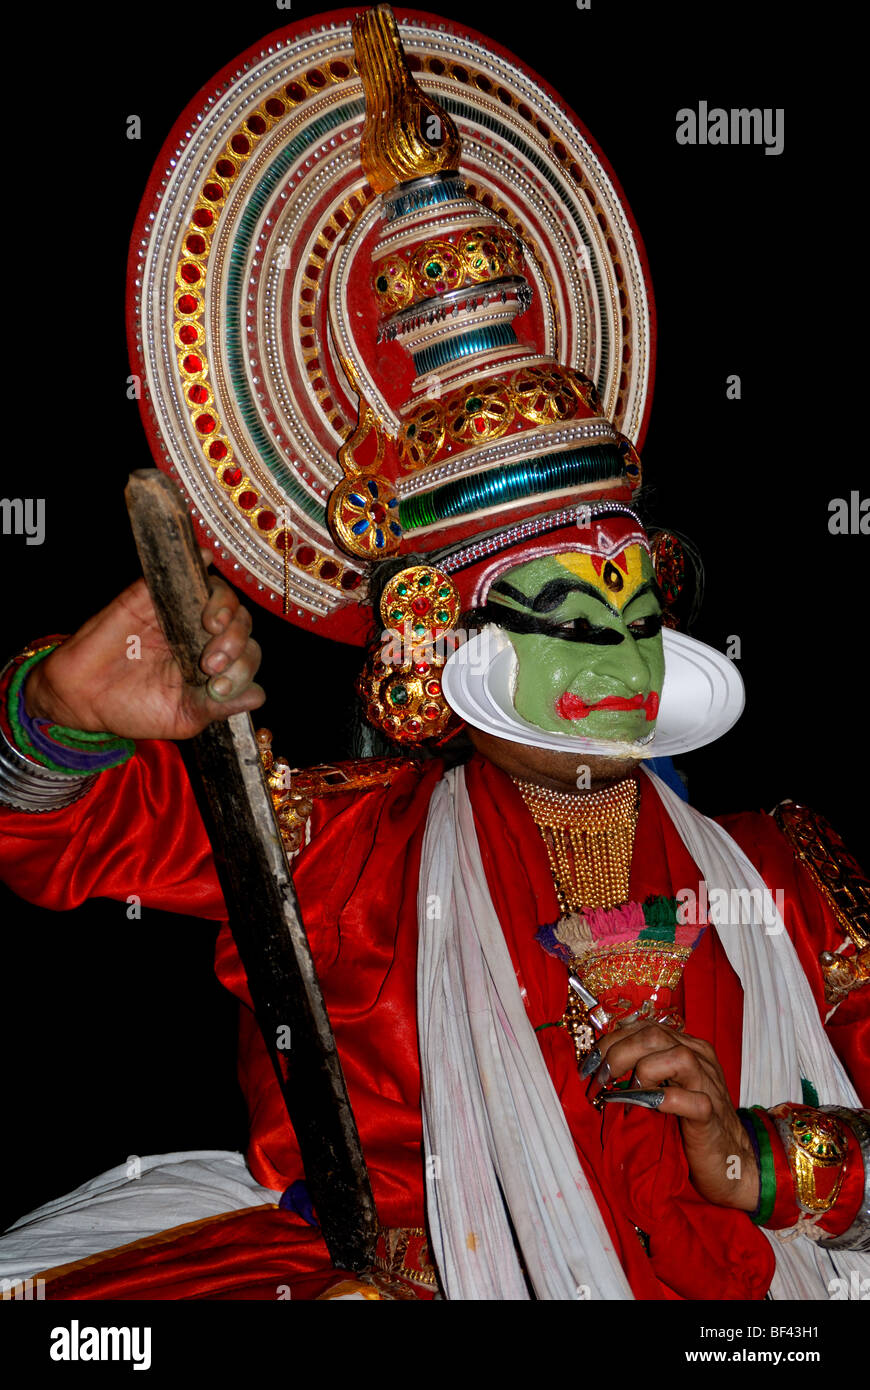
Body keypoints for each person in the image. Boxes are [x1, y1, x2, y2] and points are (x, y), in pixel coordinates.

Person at [1, 5, 867, 1300]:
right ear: (434, 642)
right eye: (565, 610)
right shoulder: (335, 849)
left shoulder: (787, 878)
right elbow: (54, 839)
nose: (617, 655)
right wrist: (64, 715)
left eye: (635, 598)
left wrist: (757, 1154)